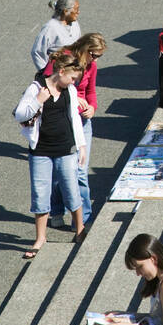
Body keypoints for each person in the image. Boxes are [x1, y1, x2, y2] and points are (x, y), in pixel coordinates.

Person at [14, 50, 87, 258]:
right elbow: (20, 114)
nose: (73, 82)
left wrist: (81, 145)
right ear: (61, 71)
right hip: (41, 150)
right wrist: (38, 100)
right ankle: (40, 238)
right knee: (40, 192)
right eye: (72, 77)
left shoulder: (70, 91)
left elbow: (74, 118)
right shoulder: (37, 88)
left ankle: (80, 229)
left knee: (71, 188)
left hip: (65, 148)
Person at [44, 32, 105, 228]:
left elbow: (91, 91)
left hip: (82, 121)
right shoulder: (64, 59)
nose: (94, 60)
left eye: (98, 57)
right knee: (60, 171)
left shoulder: (92, 66)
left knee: (80, 171)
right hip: (62, 120)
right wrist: (70, 96)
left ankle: (83, 219)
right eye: (93, 55)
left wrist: (92, 107)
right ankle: (56, 211)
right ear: (84, 48)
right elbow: (46, 83)